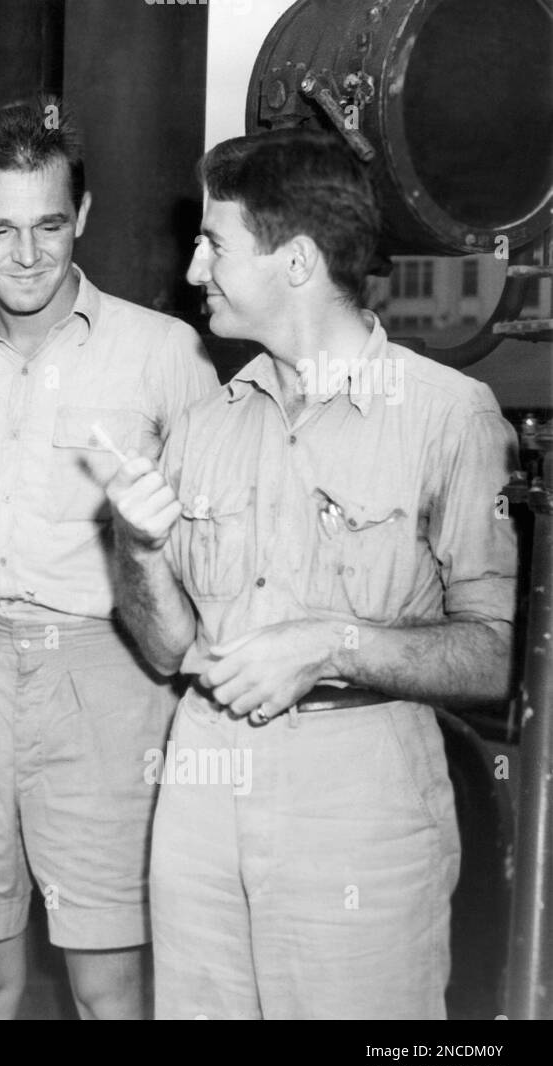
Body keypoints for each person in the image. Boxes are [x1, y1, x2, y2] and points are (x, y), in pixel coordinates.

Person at [107, 128, 518, 1018]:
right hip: (202, 778)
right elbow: (166, 647)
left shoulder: (450, 418)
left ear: (295, 262)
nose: (191, 271)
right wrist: (136, 549)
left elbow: (494, 656)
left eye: (213, 243)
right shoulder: (205, 422)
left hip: (358, 792)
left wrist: (329, 642)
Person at [0, 99, 217, 1019]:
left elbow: (223, 544)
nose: (26, 255)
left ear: (82, 217)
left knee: (110, 988)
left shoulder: (162, 353)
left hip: (107, 676)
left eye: (49, 226)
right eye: (0, 229)